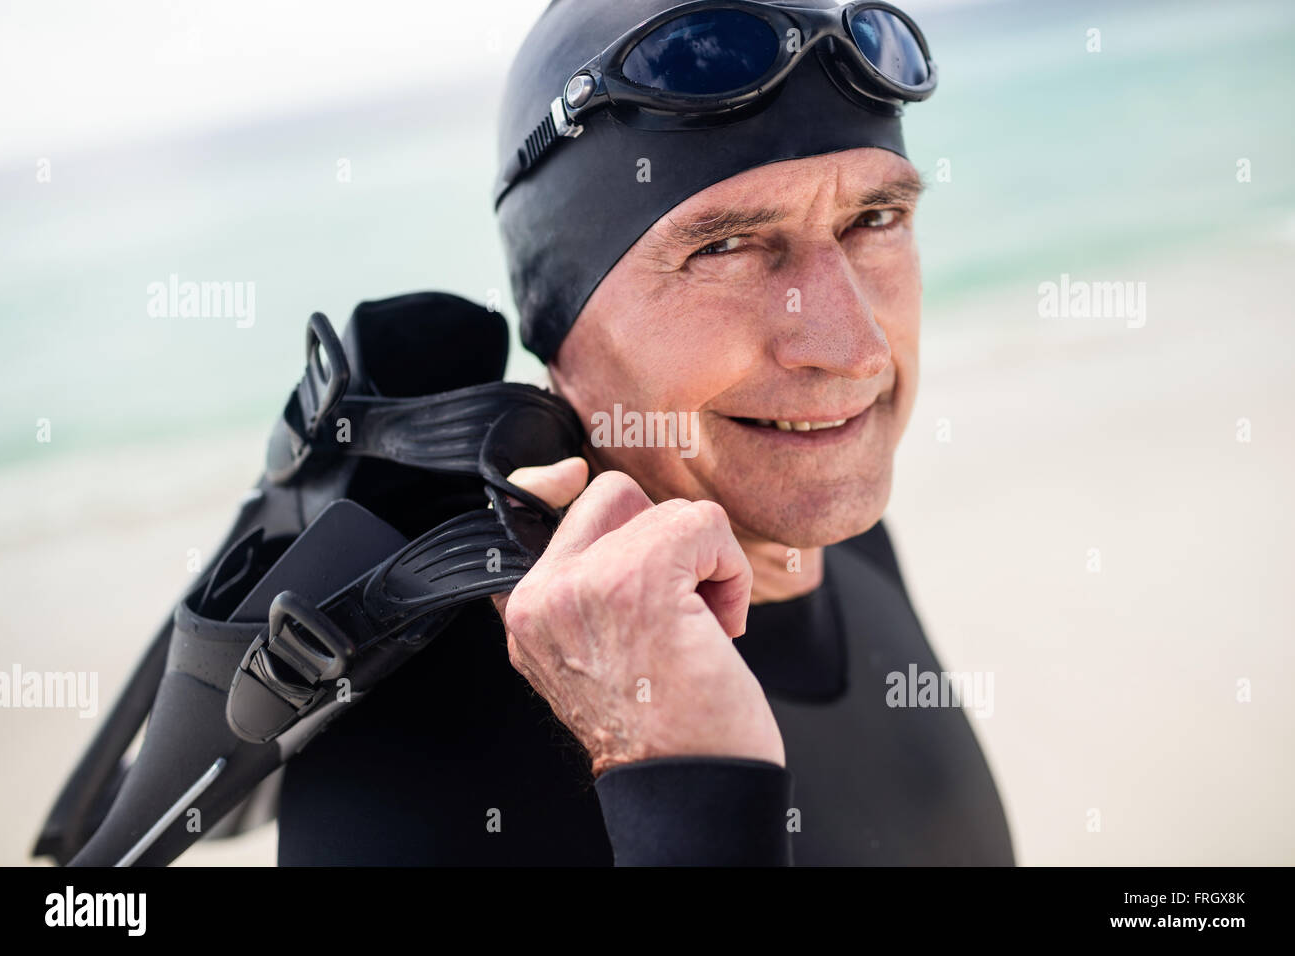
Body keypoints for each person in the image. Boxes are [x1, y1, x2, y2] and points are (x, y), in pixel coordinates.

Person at [277, 0, 1014, 866]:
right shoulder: (405, 771)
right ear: (555, 321)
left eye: (874, 221)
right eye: (729, 247)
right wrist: (671, 774)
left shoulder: (832, 533)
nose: (854, 351)